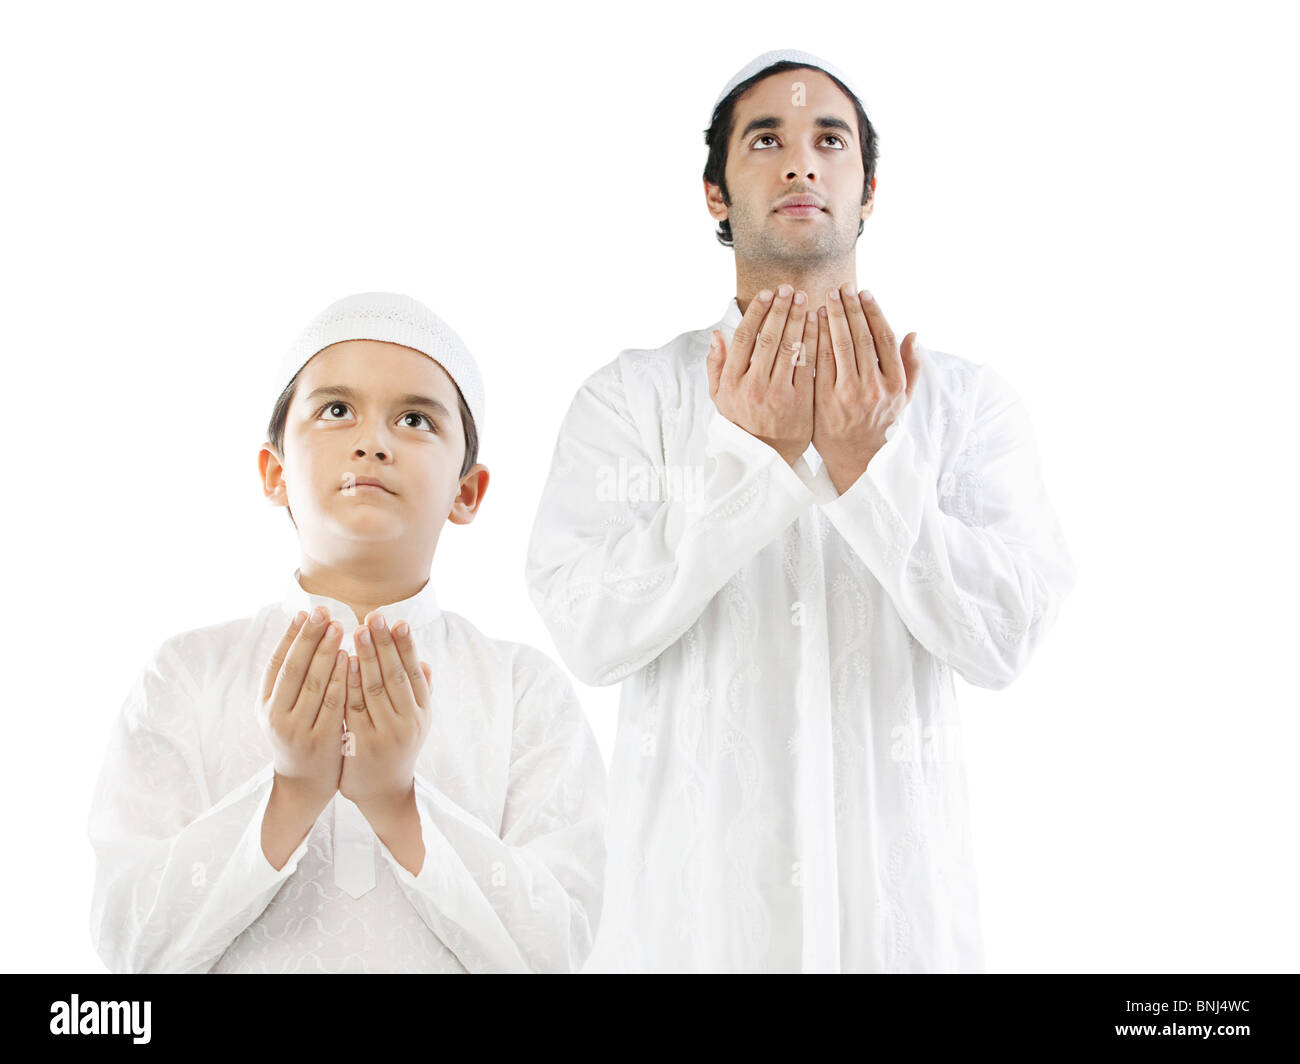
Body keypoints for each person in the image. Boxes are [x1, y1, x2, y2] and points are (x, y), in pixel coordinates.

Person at [525, 50, 1076, 972]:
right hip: (690, 933)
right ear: (715, 193)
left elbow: (1005, 636)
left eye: (830, 139)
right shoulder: (630, 398)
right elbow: (589, 631)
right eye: (766, 139)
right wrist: (752, 460)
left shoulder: (961, 404)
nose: (800, 162)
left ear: (868, 192)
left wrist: (870, 469)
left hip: (902, 932)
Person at [88, 291, 607, 973]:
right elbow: (131, 948)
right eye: (336, 410)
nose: (372, 441)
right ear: (274, 472)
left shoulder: (523, 692)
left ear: (467, 491)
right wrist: (290, 791)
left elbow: (558, 951)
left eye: (416, 419)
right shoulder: (188, 674)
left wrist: (399, 806)